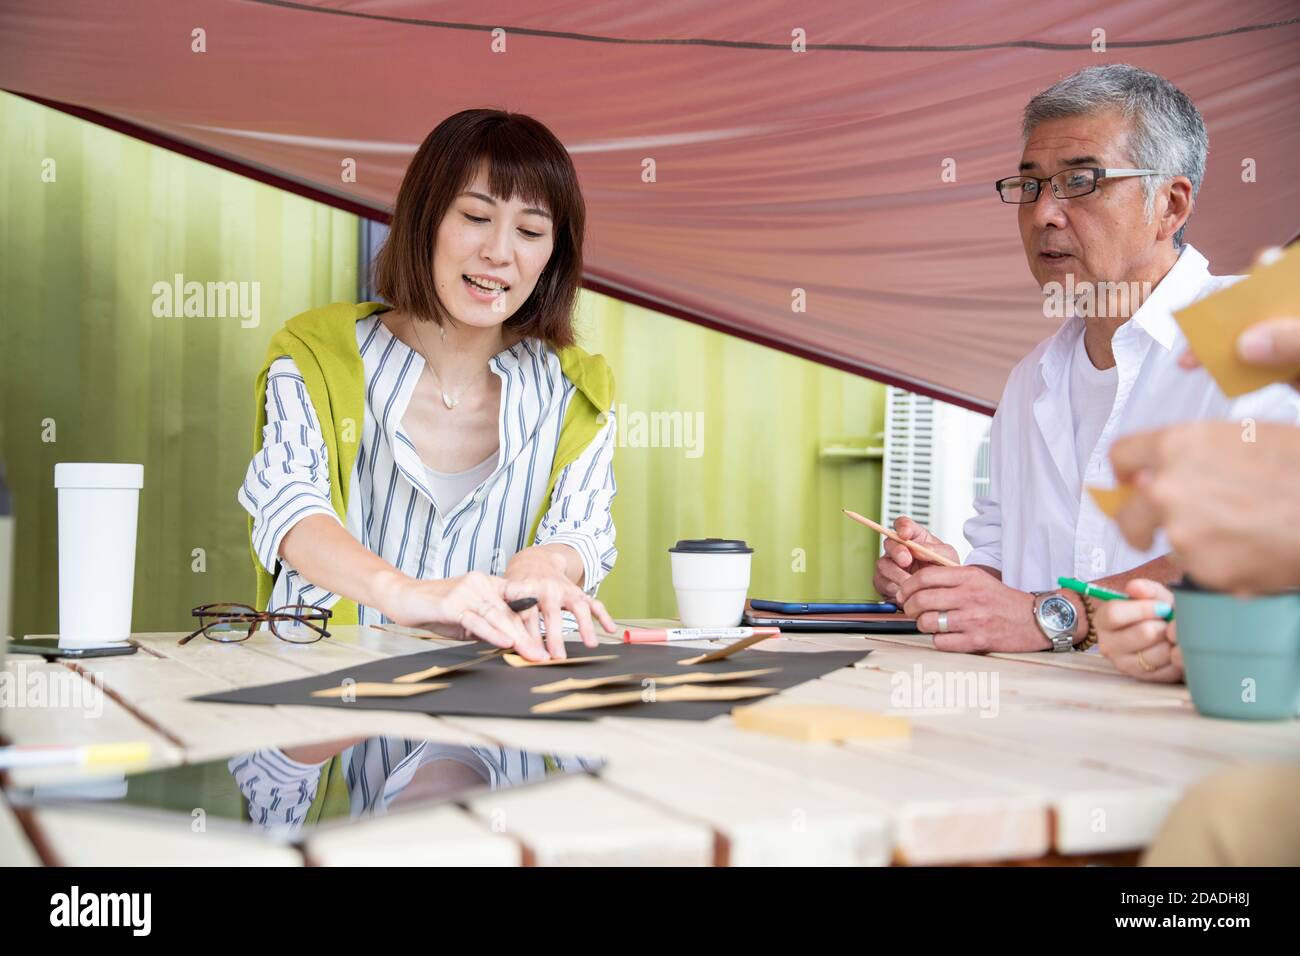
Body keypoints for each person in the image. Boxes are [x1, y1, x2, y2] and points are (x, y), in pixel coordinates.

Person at [876, 64, 1300, 654]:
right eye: (1030, 186)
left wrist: (1059, 614)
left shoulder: (1259, 333)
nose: (1044, 213)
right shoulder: (1031, 381)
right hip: (1050, 723)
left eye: (1079, 182)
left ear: (1169, 207)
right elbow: (1009, 570)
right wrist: (958, 586)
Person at [239, 109, 617, 661]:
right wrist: (406, 596)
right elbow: (290, 508)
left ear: (551, 257)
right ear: (426, 218)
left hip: (500, 724)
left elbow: (581, 529)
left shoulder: (574, 394)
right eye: (475, 216)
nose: (499, 252)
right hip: (328, 712)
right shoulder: (317, 358)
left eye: (531, 231)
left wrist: (546, 564)